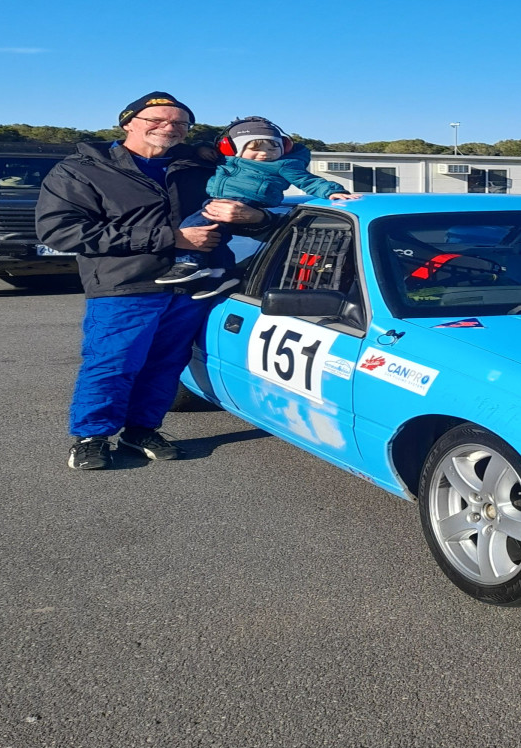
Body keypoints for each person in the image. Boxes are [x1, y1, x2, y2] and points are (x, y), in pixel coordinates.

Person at [35, 92, 281, 471]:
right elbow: (60, 230)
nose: (169, 128)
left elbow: (260, 216)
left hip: (194, 286)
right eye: (158, 120)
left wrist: (252, 216)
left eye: (180, 123)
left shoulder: (203, 169)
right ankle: (91, 437)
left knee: (167, 364)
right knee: (112, 362)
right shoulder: (82, 170)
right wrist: (171, 238)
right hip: (125, 285)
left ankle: (142, 429)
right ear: (128, 122)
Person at [157, 116, 356, 291]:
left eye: (273, 147)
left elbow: (308, 180)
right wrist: (202, 147)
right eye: (255, 148)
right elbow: (200, 150)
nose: (265, 154)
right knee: (217, 239)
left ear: (284, 147)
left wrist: (332, 191)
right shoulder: (226, 159)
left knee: (192, 225)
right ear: (233, 148)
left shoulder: (285, 164)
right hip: (219, 201)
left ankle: (188, 264)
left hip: (245, 201)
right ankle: (222, 274)